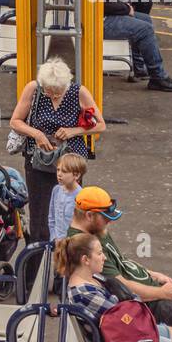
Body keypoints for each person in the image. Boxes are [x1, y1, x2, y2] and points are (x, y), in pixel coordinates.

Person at [66, 187, 172, 342]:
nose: (109, 222)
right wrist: (162, 293)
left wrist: (153, 274)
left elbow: (123, 261)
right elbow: (123, 288)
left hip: (153, 287)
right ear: (89, 216)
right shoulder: (87, 249)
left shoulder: (96, 229)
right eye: (105, 218)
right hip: (148, 302)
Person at [8, 57, 105, 243]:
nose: (53, 96)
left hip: (69, 162)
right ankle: (35, 260)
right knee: (39, 219)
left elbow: (100, 125)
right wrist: (37, 134)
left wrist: (73, 131)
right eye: (49, 92)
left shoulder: (79, 92)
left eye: (58, 93)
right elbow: (15, 121)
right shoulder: (33, 89)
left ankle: (65, 264)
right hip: (39, 161)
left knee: (69, 214)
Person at [48, 152, 86, 242]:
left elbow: (83, 226)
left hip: (73, 245)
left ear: (76, 175)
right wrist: (54, 237)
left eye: (64, 171)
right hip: (57, 244)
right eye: (58, 170)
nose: (59, 174)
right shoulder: (56, 190)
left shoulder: (81, 196)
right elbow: (51, 217)